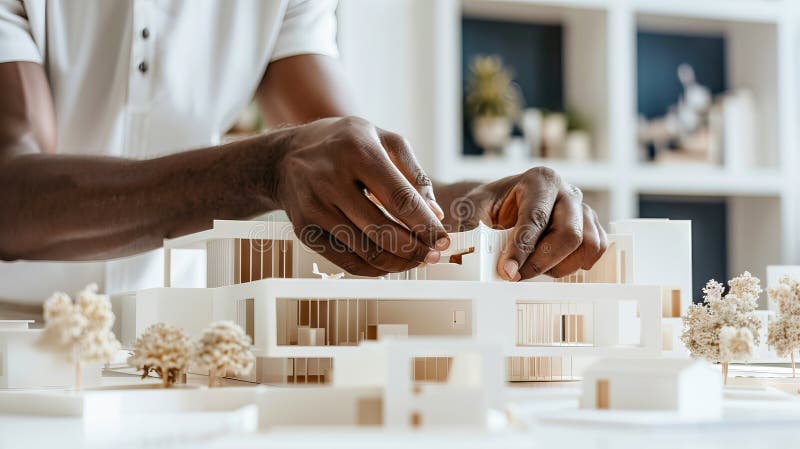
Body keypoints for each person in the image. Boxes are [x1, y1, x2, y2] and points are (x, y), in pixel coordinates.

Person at [0, 0, 607, 307]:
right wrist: (262, 167)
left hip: (161, 337)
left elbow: (355, 165)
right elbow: (10, 195)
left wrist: (483, 204)